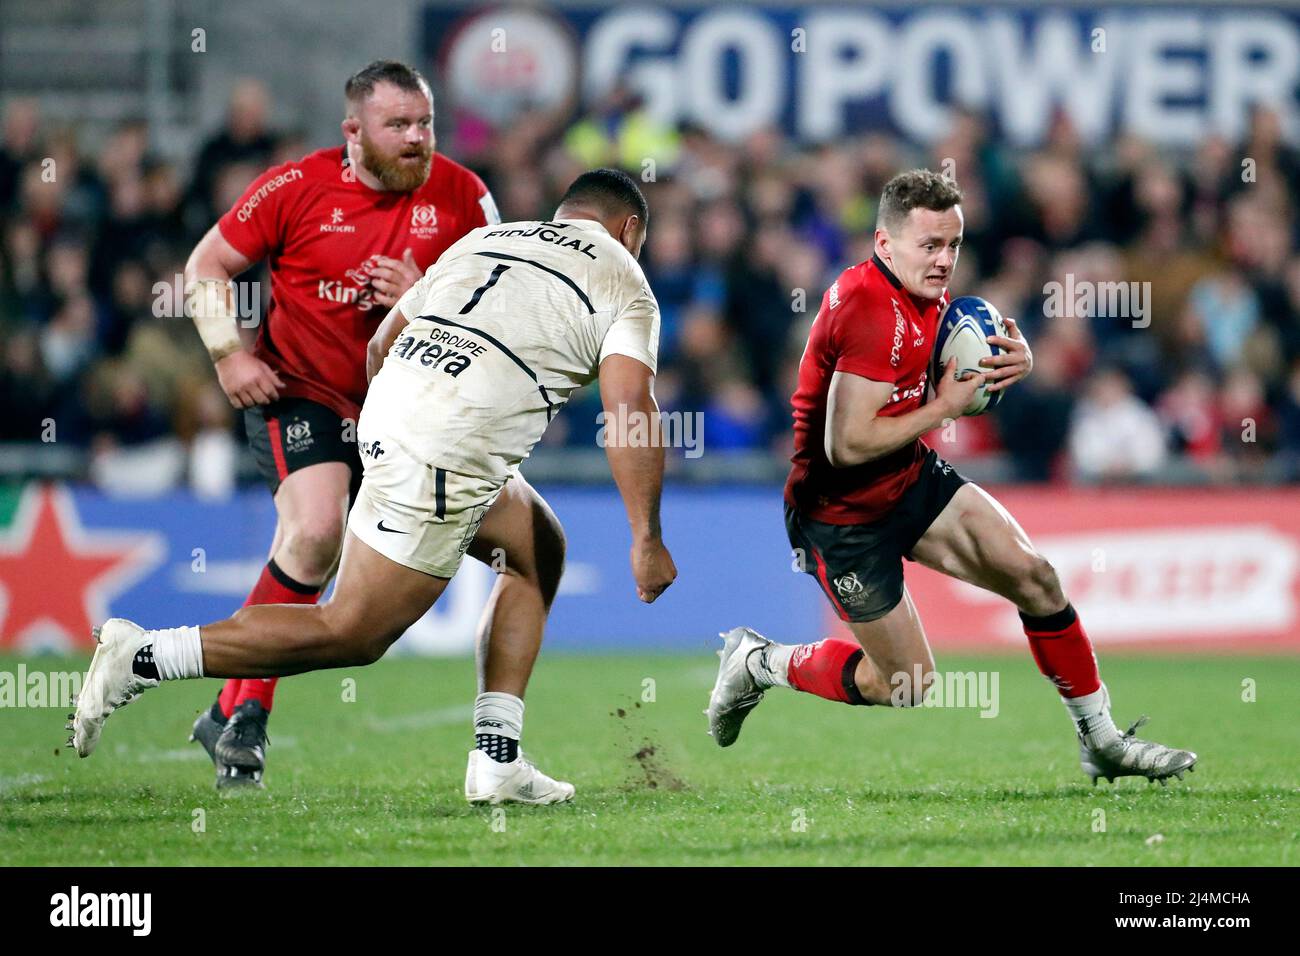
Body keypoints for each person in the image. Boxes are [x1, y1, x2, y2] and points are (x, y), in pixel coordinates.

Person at [72, 169, 678, 805]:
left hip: (393, 408)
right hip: (451, 444)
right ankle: (141, 656)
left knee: (537, 549)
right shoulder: (623, 279)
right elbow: (630, 411)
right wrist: (646, 538)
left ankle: (497, 761)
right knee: (352, 631)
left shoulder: (489, 241)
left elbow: (384, 339)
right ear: (628, 229)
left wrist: (399, 426)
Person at [706, 169, 1197, 786]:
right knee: (906, 685)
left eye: (953, 246)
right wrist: (943, 407)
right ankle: (761, 662)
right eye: (929, 246)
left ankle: (1101, 740)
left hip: (909, 478)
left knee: (1037, 580)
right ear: (885, 244)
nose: (943, 261)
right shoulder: (865, 306)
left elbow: (950, 361)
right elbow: (848, 443)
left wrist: (1015, 362)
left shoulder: (925, 292)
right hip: (841, 515)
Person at [182, 60, 501, 789]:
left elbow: (503, 305)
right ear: (353, 131)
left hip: (410, 408)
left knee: (395, 587)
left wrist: (426, 297)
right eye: (399, 126)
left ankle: (225, 706)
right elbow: (205, 267)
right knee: (315, 532)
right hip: (305, 394)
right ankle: (248, 719)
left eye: (425, 124)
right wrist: (230, 356)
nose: (418, 138)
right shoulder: (293, 188)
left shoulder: (465, 195)